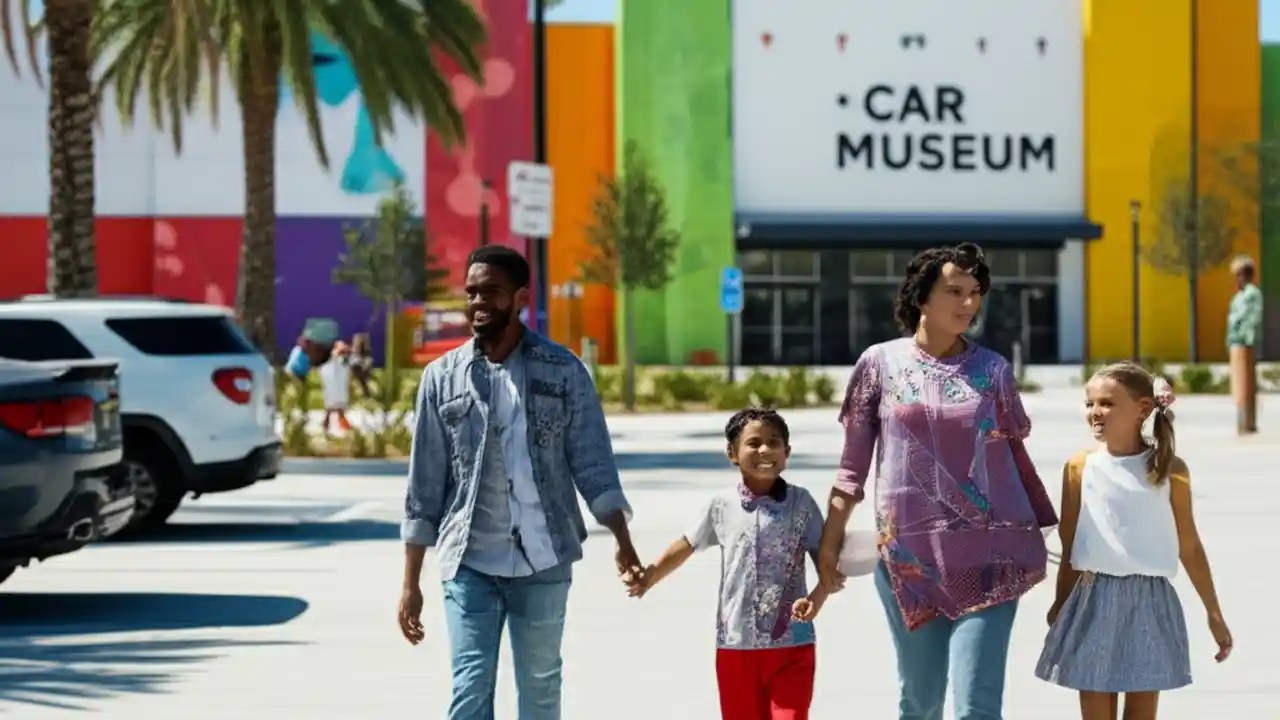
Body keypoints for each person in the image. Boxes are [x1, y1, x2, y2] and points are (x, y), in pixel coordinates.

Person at [397, 245, 644, 720]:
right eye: (471, 292)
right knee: (470, 688)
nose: (478, 302)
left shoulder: (564, 371)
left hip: (544, 558)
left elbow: (593, 463)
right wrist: (411, 582)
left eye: (491, 291)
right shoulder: (441, 378)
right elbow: (423, 488)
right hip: (469, 560)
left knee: (540, 684)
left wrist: (622, 538)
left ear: (521, 298)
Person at [817, 243, 1059, 720]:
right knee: (920, 703)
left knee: (976, 708)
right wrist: (829, 545)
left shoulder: (993, 370)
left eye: (976, 292)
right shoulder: (879, 364)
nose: (969, 303)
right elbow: (852, 469)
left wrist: (1052, 527)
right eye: (954, 291)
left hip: (990, 557)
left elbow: (1015, 457)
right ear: (921, 297)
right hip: (909, 561)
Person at [1036, 362, 1233, 720]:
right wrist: (1061, 603)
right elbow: (1070, 547)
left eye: (1107, 403)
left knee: (1142, 711)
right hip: (1091, 600)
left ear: (1143, 408)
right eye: (1090, 404)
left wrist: (1214, 613)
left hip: (1150, 602)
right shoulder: (1079, 467)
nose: (1096, 412)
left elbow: (1189, 546)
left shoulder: (1169, 469)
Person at [630, 408, 828, 720]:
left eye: (774, 442)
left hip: (792, 644)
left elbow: (827, 560)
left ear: (787, 452)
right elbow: (687, 544)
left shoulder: (801, 503)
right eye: (753, 443)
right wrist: (649, 576)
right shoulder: (722, 506)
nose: (764, 450)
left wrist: (817, 596)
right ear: (732, 453)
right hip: (736, 646)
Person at [1226, 254, 1263, 434]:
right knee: (1238, 386)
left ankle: (1248, 422)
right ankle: (1242, 422)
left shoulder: (1251, 294)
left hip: (1244, 346)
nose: (1236, 279)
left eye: (1238, 274)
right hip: (1236, 345)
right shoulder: (1239, 296)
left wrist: (1247, 340)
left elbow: (1252, 319)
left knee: (1246, 386)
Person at [318, 340, 352, 434]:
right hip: (332, 388)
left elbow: (346, 363)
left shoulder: (343, 360)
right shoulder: (330, 359)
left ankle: (344, 427)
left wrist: (345, 352)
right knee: (330, 409)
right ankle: (327, 427)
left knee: (339, 409)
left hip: (340, 388)